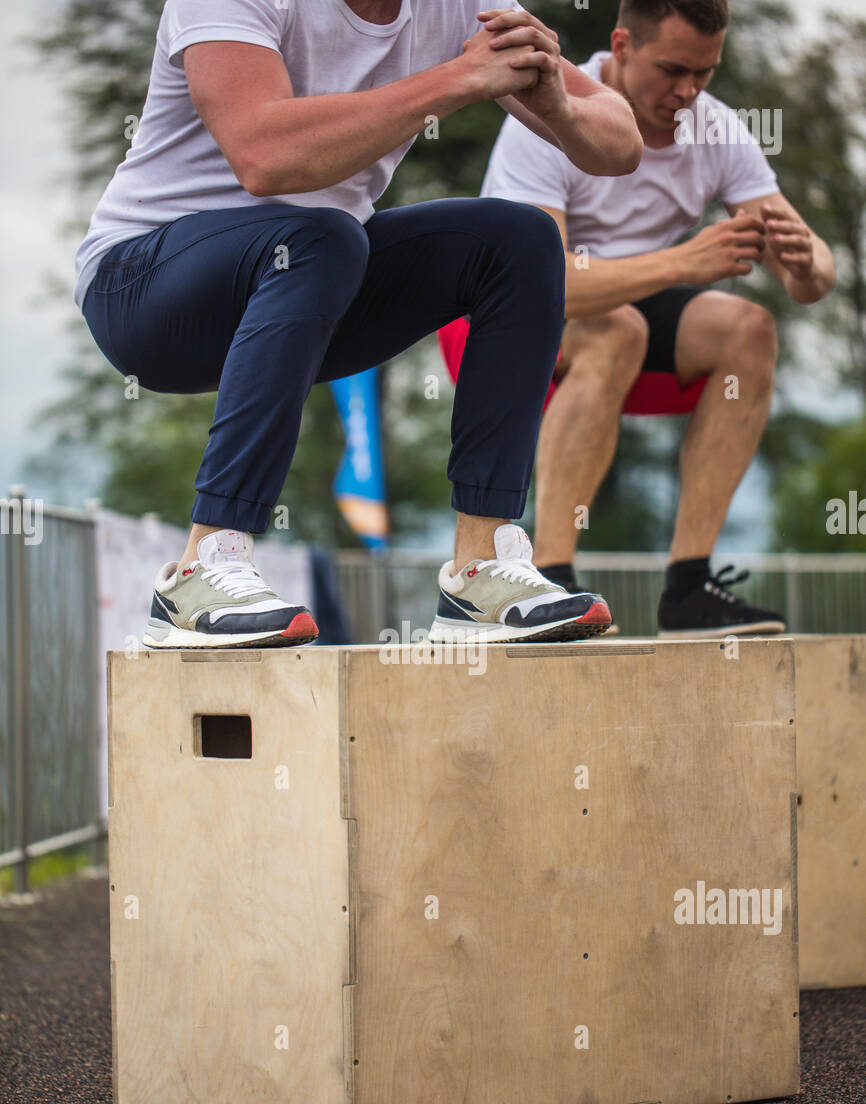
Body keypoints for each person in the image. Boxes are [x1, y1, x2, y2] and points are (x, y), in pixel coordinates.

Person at [73, 1, 641, 649]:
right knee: (325, 238)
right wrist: (459, 78)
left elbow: (621, 143)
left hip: (312, 283)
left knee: (521, 239)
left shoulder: (460, 7)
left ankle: (481, 570)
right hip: (142, 291)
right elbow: (266, 157)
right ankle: (204, 567)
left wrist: (559, 108)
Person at [480, 0, 835, 636]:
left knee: (750, 329)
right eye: (673, 69)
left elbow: (813, 277)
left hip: (628, 314)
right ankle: (551, 582)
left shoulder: (716, 129)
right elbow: (546, 281)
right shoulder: (551, 111)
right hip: (503, 315)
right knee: (620, 328)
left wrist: (805, 264)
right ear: (621, 45)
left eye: (705, 73)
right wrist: (680, 263)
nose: (688, 91)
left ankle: (690, 589)